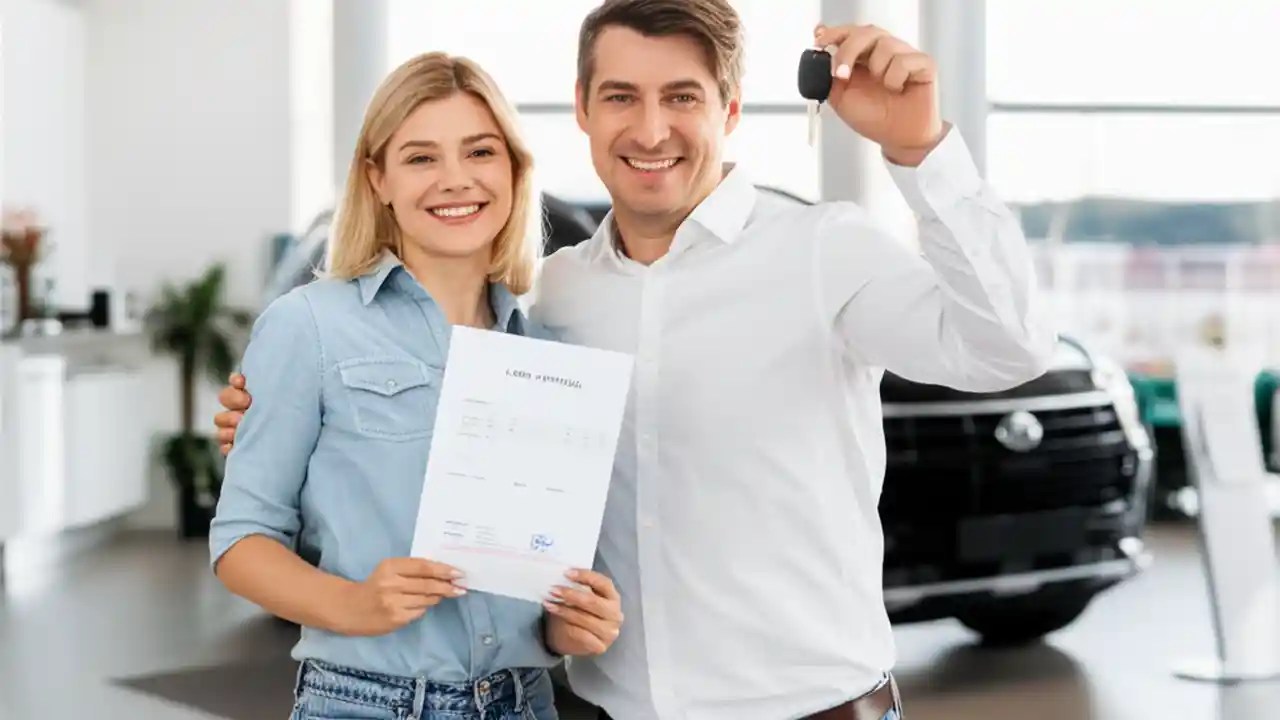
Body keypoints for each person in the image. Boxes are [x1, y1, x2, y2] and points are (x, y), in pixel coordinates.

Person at [217, 2, 1057, 718]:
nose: (650, 129)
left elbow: (1009, 347)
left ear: (729, 110)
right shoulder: (550, 299)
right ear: (582, 108)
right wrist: (280, 427)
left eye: (681, 97)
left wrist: (923, 154)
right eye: (622, 96)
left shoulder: (823, 249)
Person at [208, 51, 624, 720]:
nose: (455, 180)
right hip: (366, 703)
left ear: (515, 173)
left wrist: (564, 628)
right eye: (422, 157)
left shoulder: (549, 356)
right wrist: (353, 604)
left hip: (524, 703)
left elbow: (534, 577)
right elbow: (240, 541)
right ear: (378, 179)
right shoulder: (308, 327)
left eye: (480, 152)